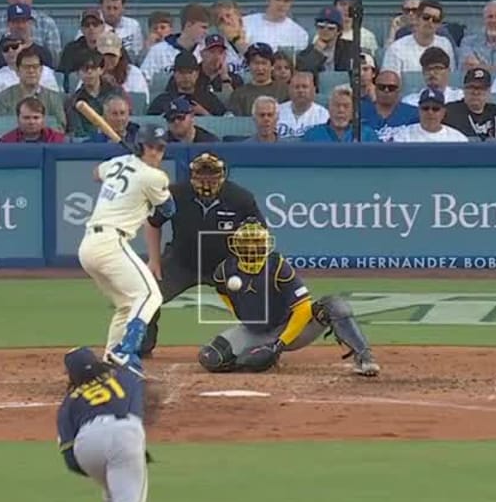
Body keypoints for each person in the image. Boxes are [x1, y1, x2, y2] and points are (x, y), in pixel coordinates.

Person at [197, 220, 380, 376]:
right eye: (246, 242)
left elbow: (303, 308)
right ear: (236, 244)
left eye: (256, 242)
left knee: (335, 306)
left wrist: (279, 345)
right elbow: (223, 292)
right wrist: (244, 315)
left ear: (266, 243)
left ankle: (364, 356)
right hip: (253, 332)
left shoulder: (278, 267)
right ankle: (250, 358)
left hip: (293, 331)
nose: (252, 247)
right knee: (212, 358)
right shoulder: (224, 270)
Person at [137, 150, 261, 357]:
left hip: (224, 265)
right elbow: (152, 223)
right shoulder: (175, 195)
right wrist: (154, 260)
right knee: (147, 295)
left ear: (222, 175)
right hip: (182, 261)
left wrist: (247, 263)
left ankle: (260, 345)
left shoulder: (240, 198)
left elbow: (260, 231)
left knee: (255, 302)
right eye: (201, 174)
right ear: (192, 175)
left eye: (211, 174)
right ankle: (141, 347)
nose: (206, 180)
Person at [78, 122, 174, 370]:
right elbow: (169, 209)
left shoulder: (119, 162)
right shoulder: (154, 176)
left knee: (127, 305)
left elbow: (95, 173)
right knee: (151, 295)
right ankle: (126, 351)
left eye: (161, 148)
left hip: (89, 246)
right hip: (110, 242)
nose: (156, 153)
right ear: (141, 146)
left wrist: (128, 163)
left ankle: (112, 358)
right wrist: (156, 183)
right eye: (151, 147)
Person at [57, 346, 153, 502]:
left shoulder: (68, 402)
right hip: (124, 432)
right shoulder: (124, 376)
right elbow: (140, 403)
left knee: (115, 500)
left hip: (85, 445)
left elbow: (69, 457)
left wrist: (98, 469)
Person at [442, 67, 496, 140]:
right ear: (464, 89)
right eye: (471, 87)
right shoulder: (450, 112)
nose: (476, 92)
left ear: (489, 91)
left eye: (481, 88)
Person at [388, 87, 468, 142]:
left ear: (443, 112)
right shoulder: (403, 136)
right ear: (419, 110)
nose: (430, 112)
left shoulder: (457, 139)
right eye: (425, 108)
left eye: (435, 109)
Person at [0, 96, 67, 142]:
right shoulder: (6, 142)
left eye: (36, 118)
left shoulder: (59, 141)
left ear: (43, 119)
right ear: (18, 119)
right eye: (26, 118)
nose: (31, 122)